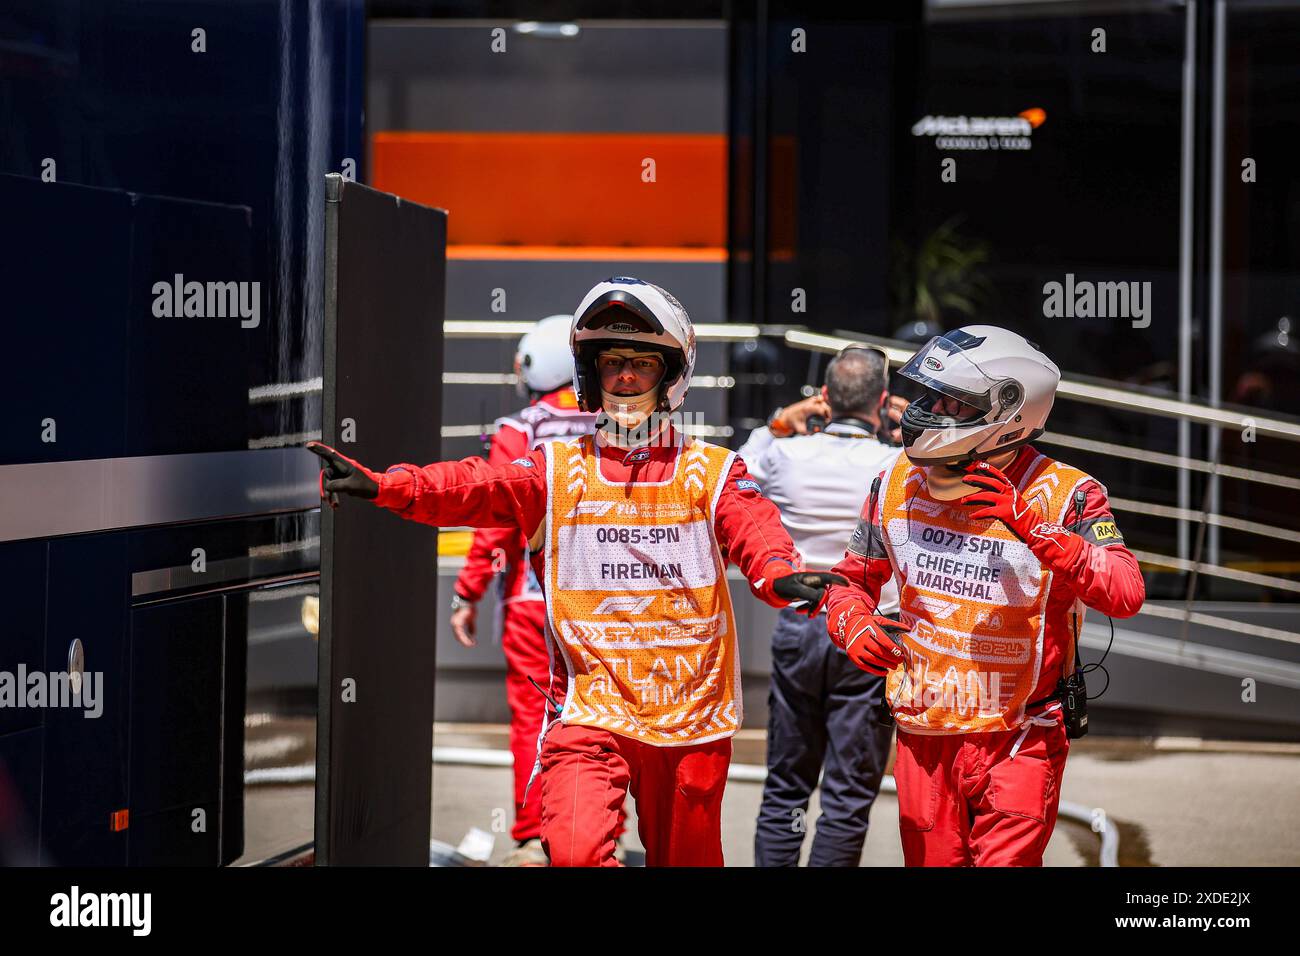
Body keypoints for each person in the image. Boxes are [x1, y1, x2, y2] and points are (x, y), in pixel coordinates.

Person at [307, 276, 843, 866]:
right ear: (591, 372)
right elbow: (472, 486)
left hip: (688, 715)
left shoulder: (712, 470)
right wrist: (385, 486)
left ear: (671, 373)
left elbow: (755, 530)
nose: (626, 378)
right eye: (613, 363)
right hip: (591, 708)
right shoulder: (553, 470)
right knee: (572, 853)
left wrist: (780, 574)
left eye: (642, 362)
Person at [824, 325, 1146, 866]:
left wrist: (1033, 528)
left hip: (1022, 736)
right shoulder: (893, 480)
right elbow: (850, 581)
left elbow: (1125, 592)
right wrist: (851, 621)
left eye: (949, 401)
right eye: (929, 396)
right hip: (925, 735)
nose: (926, 411)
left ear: (1009, 409)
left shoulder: (1068, 493)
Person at [737, 346, 902, 867]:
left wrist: (779, 422)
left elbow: (737, 468)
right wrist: (908, 424)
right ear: (882, 400)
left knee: (786, 787)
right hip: (870, 632)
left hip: (801, 622)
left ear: (824, 397)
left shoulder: (783, 453)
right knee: (848, 798)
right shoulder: (896, 465)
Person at [448, 314, 600, 867]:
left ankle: (537, 838)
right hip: (612, 607)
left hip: (535, 604)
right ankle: (598, 833)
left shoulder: (519, 429)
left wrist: (467, 593)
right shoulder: (616, 423)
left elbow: (494, 521)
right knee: (605, 720)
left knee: (535, 721)